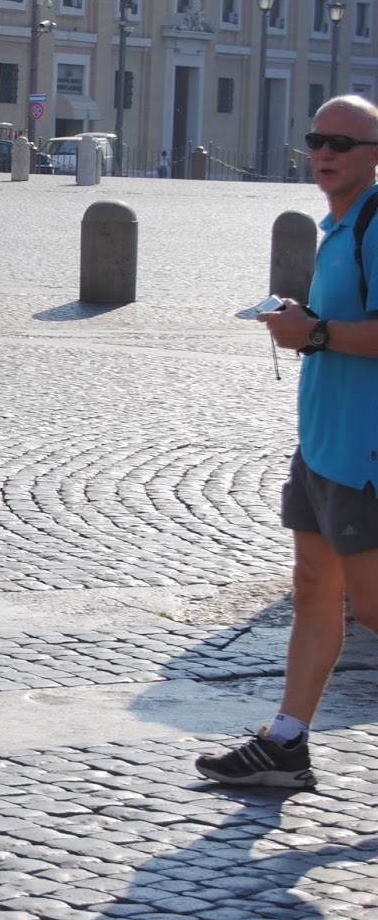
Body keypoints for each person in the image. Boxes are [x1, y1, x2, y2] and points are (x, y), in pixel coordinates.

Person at [194, 95, 378, 789]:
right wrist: (306, 322)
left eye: (342, 141)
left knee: (372, 606)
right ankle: (287, 742)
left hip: (366, 455)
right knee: (312, 589)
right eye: (316, 139)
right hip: (322, 444)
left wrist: (319, 332)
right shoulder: (340, 225)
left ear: (375, 153)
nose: (325, 152)